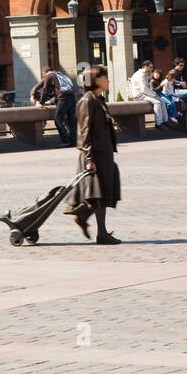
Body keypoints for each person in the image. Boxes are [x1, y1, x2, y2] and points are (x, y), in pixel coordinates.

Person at [63, 64, 122, 244]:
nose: (109, 80)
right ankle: (101, 233)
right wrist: (89, 159)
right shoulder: (87, 101)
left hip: (104, 153)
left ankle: (83, 216)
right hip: (94, 154)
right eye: (105, 77)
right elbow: (84, 132)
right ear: (96, 80)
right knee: (98, 193)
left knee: (102, 191)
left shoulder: (98, 99)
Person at [129, 61, 168, 128]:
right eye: (151, 67)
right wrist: (154, 95)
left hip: (143, 94)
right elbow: (143, 89)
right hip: (138, 96)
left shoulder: (145, 74)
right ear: (146, 67)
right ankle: (158, 124)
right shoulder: (140, 75)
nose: (152, 69)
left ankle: (165, 121)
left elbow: (147, 87)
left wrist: (154, 94)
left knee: (162, 101)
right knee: (157, 102)